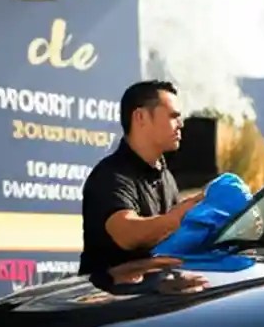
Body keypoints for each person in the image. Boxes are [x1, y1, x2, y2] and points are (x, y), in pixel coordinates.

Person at [79, 80, 201, 276]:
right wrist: (178, 218)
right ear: (141, 117)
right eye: (173, 116)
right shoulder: (109, 176)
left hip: (157, 300)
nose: (181, 124)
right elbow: (126, 233)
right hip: (112, 302)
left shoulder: (167, 177)